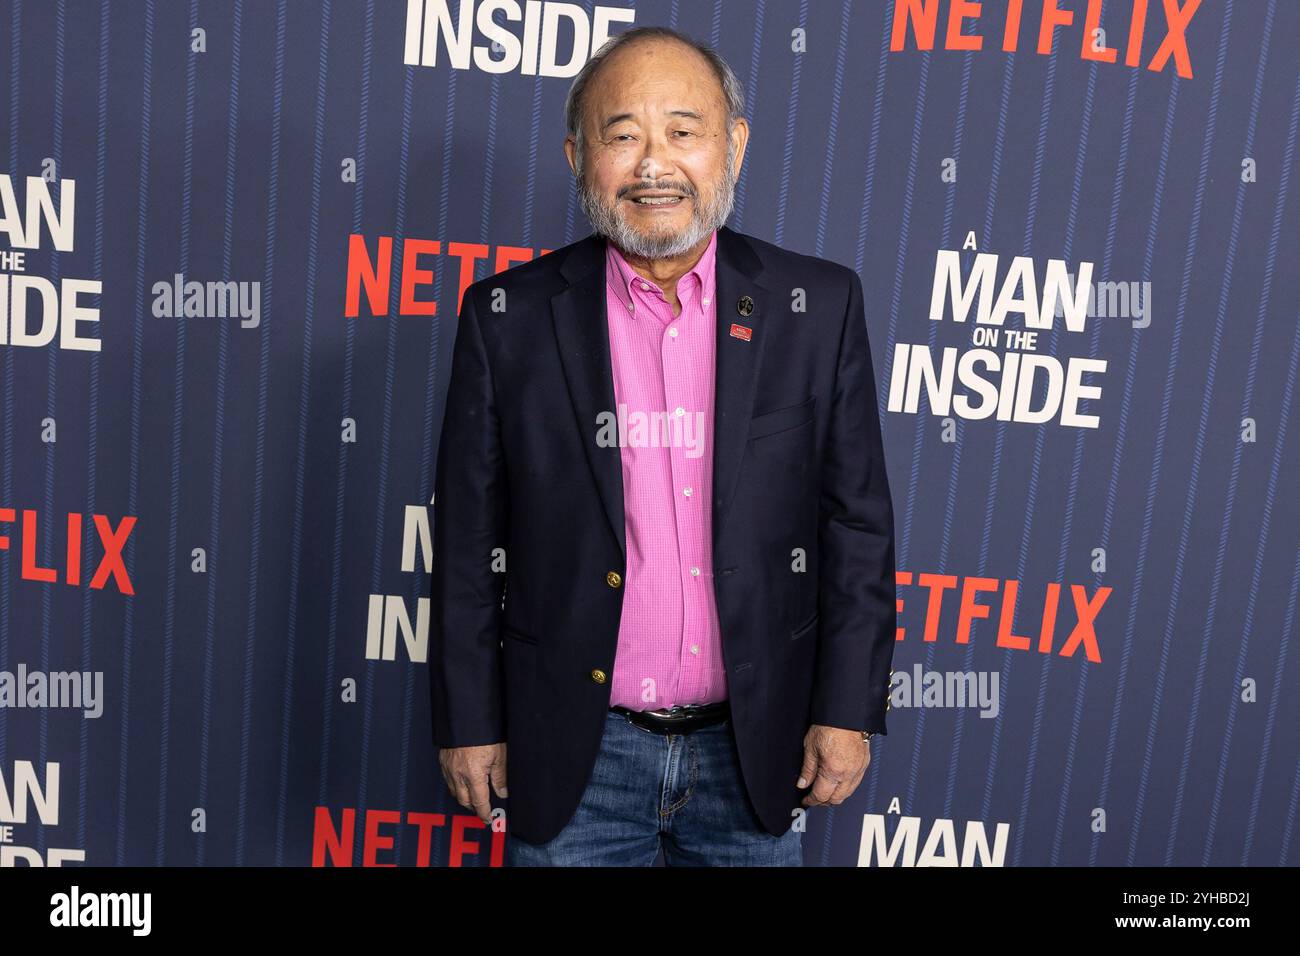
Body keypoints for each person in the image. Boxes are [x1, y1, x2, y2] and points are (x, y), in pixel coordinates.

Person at [429, 25, 896, 867]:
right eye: (623, 135)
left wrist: (848, 708)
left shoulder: (816, 307)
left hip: (756, 750)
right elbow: (466, 544)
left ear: (733, 146)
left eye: (684, 131)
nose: (654, 164)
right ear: (579, 155)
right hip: (574, 755)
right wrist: (469, 721)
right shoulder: (508, 318)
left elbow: (855, 525)